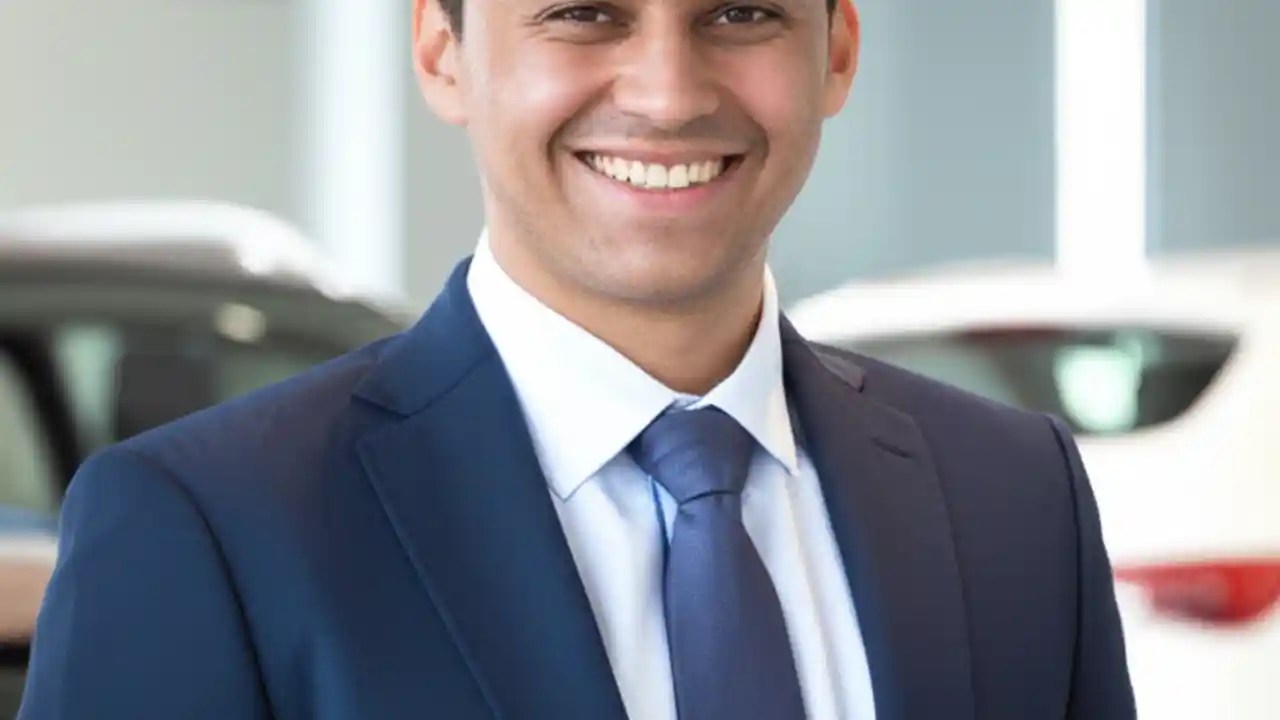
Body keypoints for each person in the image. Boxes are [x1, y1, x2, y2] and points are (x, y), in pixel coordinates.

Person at [20, 0, 1135, 717]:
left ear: (835, 48)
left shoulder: (1011, 499)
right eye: (585, 13)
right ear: (442, 52)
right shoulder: (207, 529)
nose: (665, 93)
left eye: (738, 13)